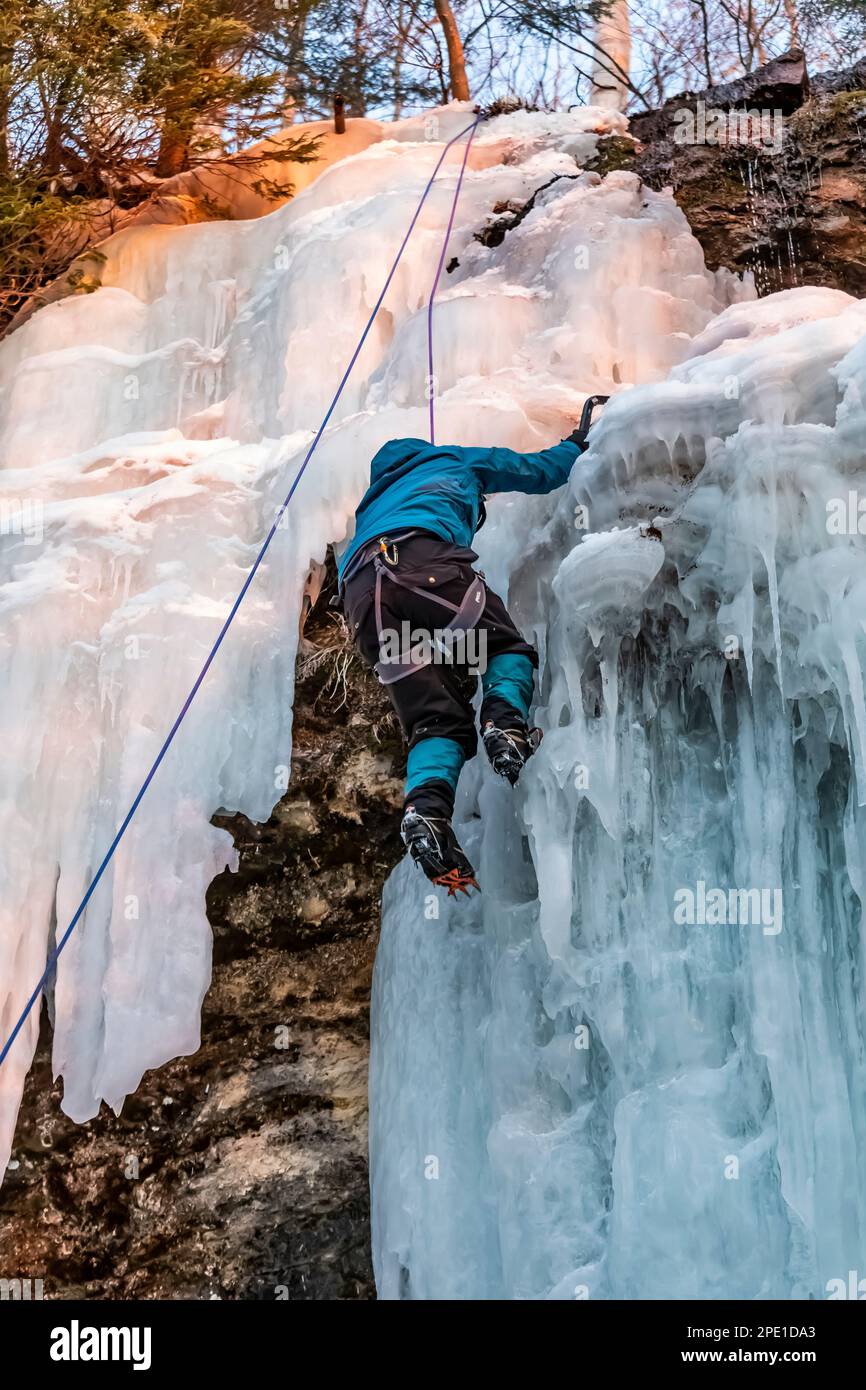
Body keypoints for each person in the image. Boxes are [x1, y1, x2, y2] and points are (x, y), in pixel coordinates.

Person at [338, 397, 608, 896]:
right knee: (504, 648)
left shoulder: (369, 509)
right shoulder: (449, 460)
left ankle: (427, 813)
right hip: (423, 562)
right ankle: (504, 724)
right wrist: (578, 442)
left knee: (433, 721)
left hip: (362, 597)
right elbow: (540, 471)